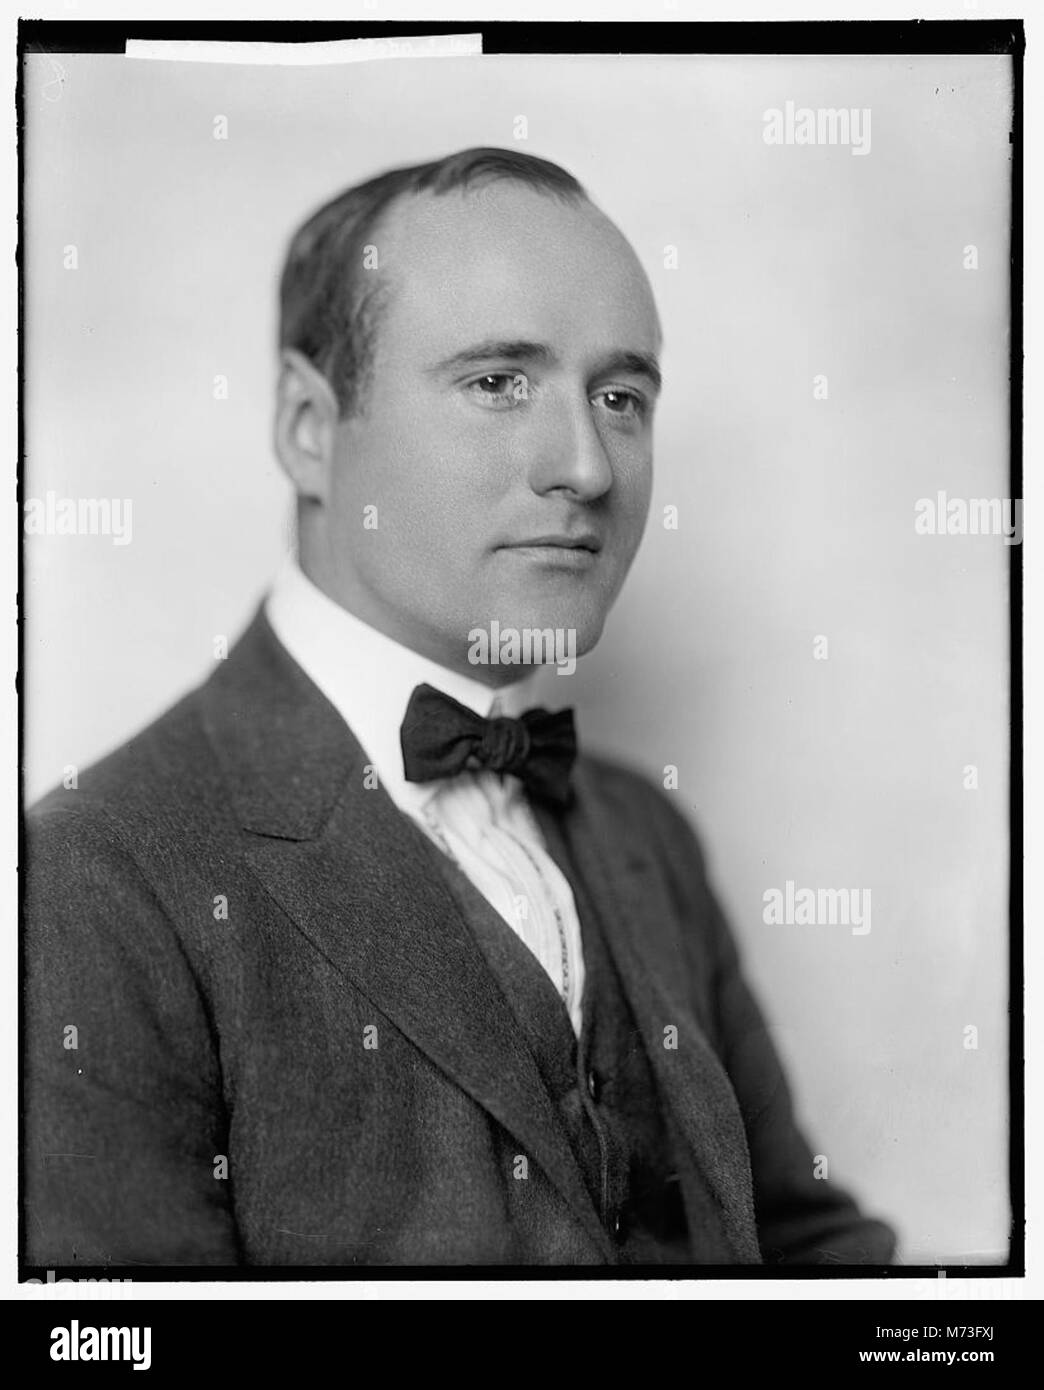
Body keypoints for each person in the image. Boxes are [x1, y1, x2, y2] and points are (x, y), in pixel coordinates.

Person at [24, 147, 895, 1268]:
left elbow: (810, 1248)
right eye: (497, 383)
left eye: (621, 396)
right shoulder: (90, 881)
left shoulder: (647, 836)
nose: (586, 465)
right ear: (308, 427)